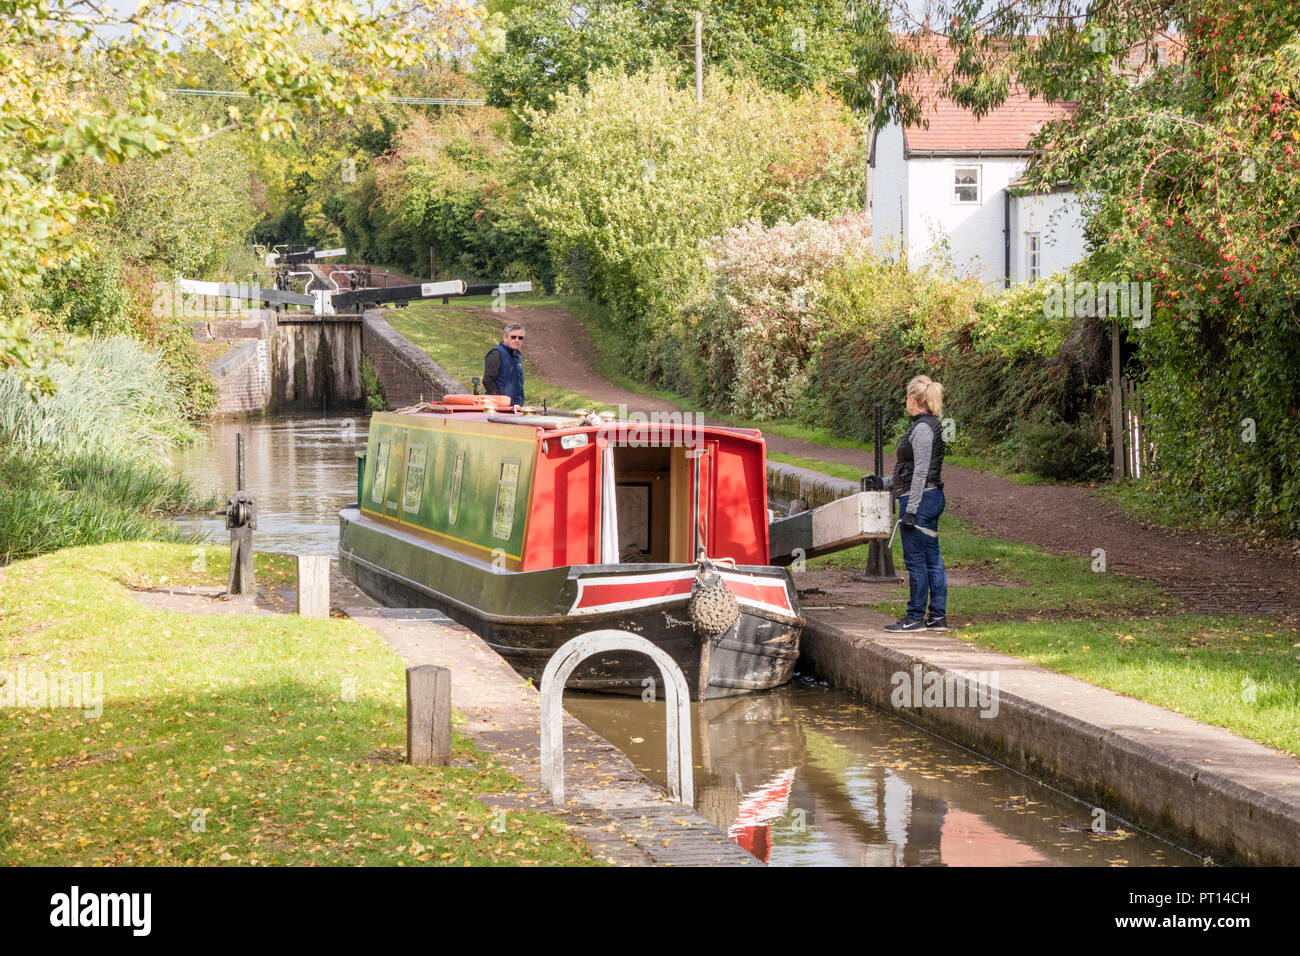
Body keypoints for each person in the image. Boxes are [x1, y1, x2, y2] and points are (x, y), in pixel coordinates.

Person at [865, 375, 948, 632]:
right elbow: (911, 469)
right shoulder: (929, 425)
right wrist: (886, 482)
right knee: (931, 558)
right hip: (928, 497)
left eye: (906, 397)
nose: (905, 401)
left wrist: (910, 510)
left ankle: (914, 618)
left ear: (912, 399)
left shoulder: (923, 428)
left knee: (917, 561)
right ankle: (936, 618)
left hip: (920, 500)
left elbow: (921, 472)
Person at [483, 323, 525, 406]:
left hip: (516, 406)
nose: (517, 340)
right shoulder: (496, 353)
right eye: (513, 337)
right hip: (499, 407)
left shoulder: (517, 356)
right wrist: (499, 401)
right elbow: (488, 380)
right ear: (505, 337)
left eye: (520, 338)